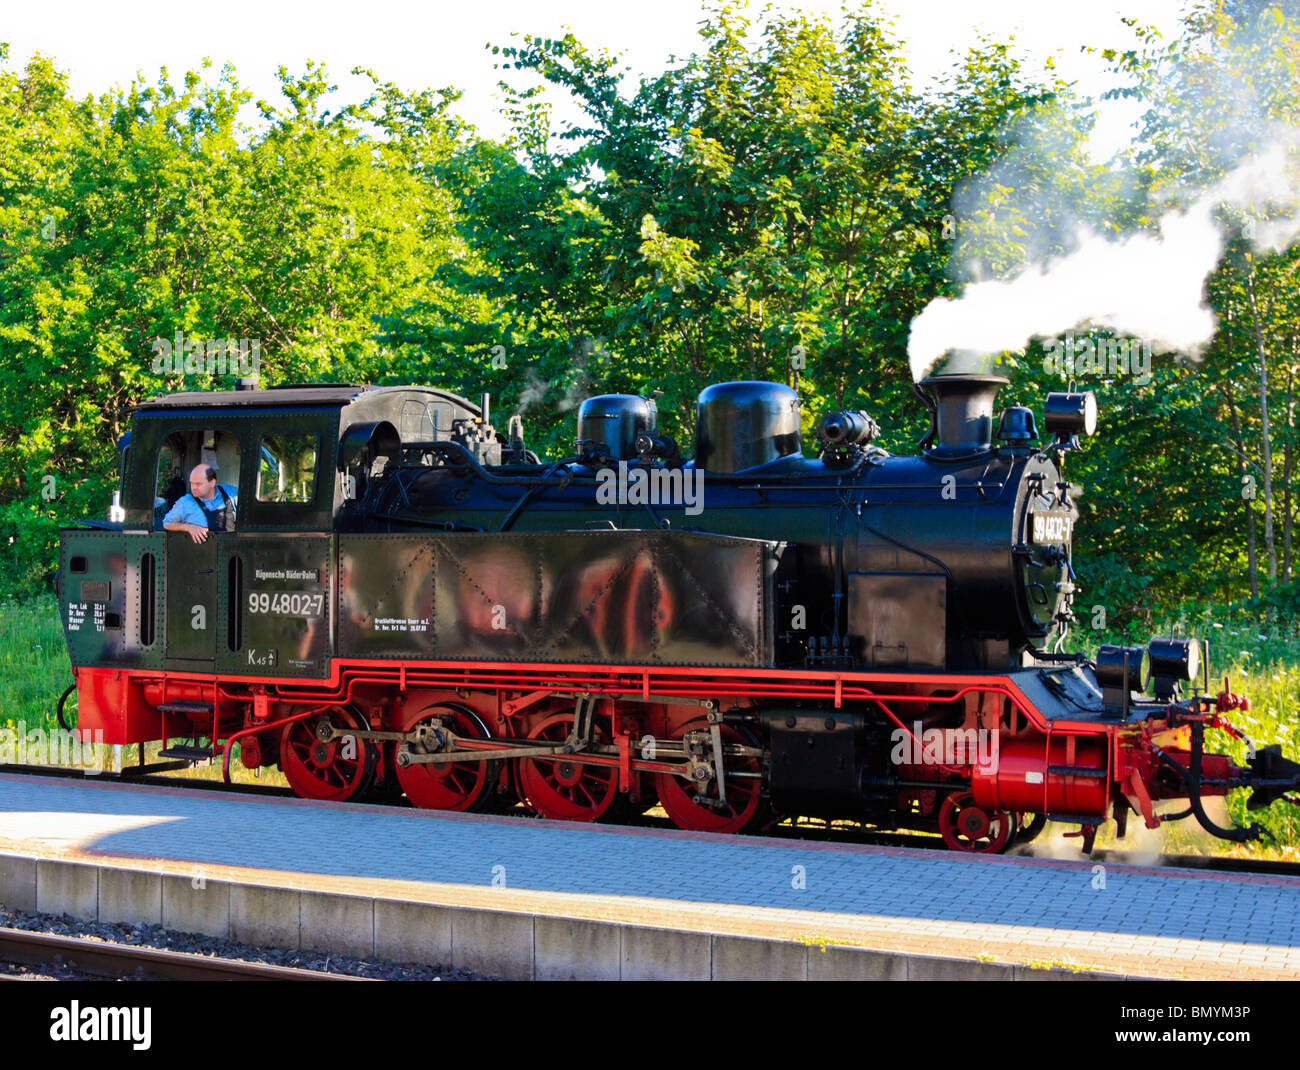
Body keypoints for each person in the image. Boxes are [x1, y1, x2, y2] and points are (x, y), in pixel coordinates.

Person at [163, 465, 237, 543]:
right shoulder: (185, 502)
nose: (193, 488)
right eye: (192, 483)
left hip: (232, 551)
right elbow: (167, 523)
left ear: (212, 483)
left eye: (198, 484)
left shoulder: (230, 492)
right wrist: (189, 527)